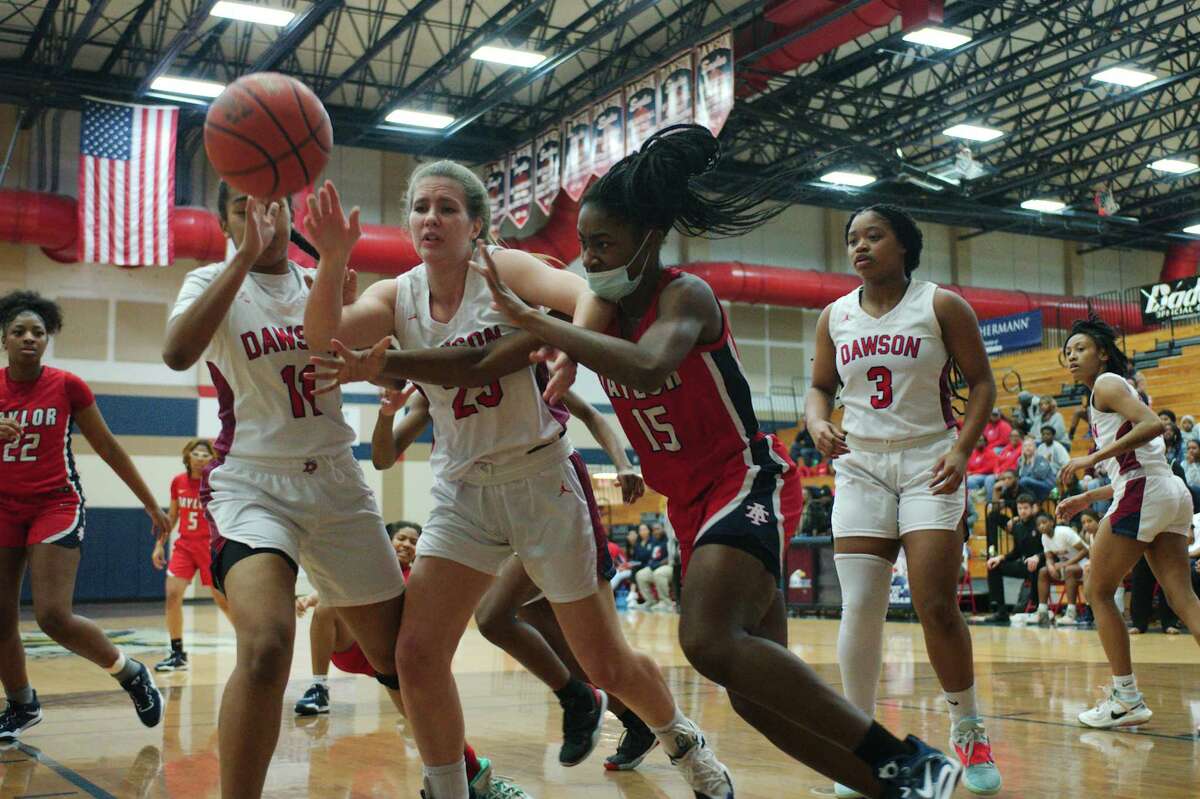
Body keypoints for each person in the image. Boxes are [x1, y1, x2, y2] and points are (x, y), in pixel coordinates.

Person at [471, 126, 963, 799]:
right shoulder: (600, 308)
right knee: (753, 696)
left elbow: (648, 368)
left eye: (604, 244)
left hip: (745, 476)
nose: (590, 259)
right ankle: (901, 787)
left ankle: (907, 757)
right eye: (584, 245)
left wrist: (549, 329)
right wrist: (395, 363)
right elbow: (501, 356)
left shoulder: (685, 296)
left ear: (649, 238)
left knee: (704, 639)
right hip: (687, 501)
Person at [302, 169, 732, 799]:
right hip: (462, 493)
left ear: (476, 225)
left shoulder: (506, 270)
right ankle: (452, 790)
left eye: (447, 208)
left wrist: (572, 345)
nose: (431, 218)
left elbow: (582, 291)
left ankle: (682, 740)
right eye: (420, 207)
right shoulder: (400, 294)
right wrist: (335, 257)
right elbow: (322, 337)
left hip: (540, 479)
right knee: (414, 656)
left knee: (603, 661)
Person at [161, 183, 430, 799]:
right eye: (243, 206)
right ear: (226, 220)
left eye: (274, 203)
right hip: (252, 484)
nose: (262, 214)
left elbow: (382, 366)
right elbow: (178, 354)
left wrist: (366, 341)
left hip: (335, 480)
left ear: (292, 212)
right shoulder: (210, 282)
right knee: (264, 647)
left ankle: (463, 775)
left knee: (400, 658)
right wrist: (240, 256)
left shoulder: (322, 284)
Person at [805, 204, 1000, 797]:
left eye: (874, 236)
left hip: (929, 461)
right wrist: (816, 421)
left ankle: (968, 729)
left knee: (935, 603)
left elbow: (982, 382)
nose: (860, 247)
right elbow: (819, 387)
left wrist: (964, 451)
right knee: (860, 604)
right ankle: (860, 743)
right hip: (860, 464)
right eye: (852, 240)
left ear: (904, 246)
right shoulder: (834, 316)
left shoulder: (941, 304)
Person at [0, 290, 169, 742]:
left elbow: (109, 447)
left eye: (38, 332)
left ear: (48, 339)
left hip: (55, 503)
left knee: (53, 616)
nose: (29, 338)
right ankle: (21, 705)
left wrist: (151, 503)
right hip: (4, 507)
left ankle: (131, 673)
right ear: (4, 340)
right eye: (19, 332)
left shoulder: (67, 386)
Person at [1055, 315, 1200, 729]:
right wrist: (1088, 495)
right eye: (1067, 352)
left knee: (1096, 591)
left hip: (1148, 491)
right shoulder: (1107, 392)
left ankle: (1126, 697)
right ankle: (1126, 698)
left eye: (1080, 348)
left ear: (1102, 353)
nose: (1072, 357)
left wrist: (1091, 459)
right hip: (1165, 490)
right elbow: (1138, 468)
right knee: (1183, 599)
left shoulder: (1107, 384)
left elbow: (1155, 425)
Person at [291, 522, 505, 797]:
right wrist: (309, 598)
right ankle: (319, 687)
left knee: (426, 719)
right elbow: (338, 590)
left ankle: (466, 766)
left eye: (413, 541)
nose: (406, 544)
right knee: (327, 607)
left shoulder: (420, 577)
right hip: (358, 648)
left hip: (395, 661)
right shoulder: (373, 571)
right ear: (388, 542)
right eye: (401, 538)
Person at [152, 438, 231, 671]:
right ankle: (177, 653)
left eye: (205, 455)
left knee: (223, 600)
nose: (200, 458)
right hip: (185, 546)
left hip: (209, 546)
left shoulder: (216, 483)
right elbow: (172, 517)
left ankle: (250, 645)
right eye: (196, 454)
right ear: (188, 456)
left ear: (212, 459)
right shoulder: (178, 481)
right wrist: (159, 545)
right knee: (172, 595)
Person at [982, 495, 1043, 624]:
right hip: (1025, 565)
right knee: (994, 566)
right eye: (1020, 508)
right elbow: (1016, 552)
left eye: (1026, 508)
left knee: (1036, 569)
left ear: (1033, 508)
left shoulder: (1040, 523)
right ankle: (1001, 611)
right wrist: (1001, 557)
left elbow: (1050, 549)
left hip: (1041, 564)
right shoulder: (1018, 527)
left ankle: (1038, 607)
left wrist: (1038, 557)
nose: (1023, 511)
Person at [1029, 513, 1088, 626]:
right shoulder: (1044, 537)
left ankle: (1071, 613)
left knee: (1069, 570)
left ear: (1052, 522)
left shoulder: (1064, 532)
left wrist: (1065, 564)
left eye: (1044, 522)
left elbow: (1085, 551)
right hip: (1066, 566)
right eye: (1039, 525)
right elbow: (1049, 557)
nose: (1041, 526)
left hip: (1085, 563)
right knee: (1043, 571)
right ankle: (1042, 612)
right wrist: (1050, 566)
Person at [634, 523, 673, 611]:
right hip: (656, 567)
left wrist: (657, 564)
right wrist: (651, 564)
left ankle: (666, 602)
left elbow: (670, 557)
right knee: (640, 574)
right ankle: (651, 601)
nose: (655, 532)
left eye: (658, 529)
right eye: (654, 530)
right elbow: (653, 557)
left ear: (663, 528)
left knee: (658, 573)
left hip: (670, 566)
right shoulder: (654, 542)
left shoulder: (668, 540)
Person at [983, 430, 1022, 500]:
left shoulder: (1022, 449)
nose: (1014, 438)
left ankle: (1002, 502)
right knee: (989, 479)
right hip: (1000, 473)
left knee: (1005, 482)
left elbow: (1015, 466)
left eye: (1016, 436)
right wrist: (997, 473)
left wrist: (1004, 475)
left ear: (1020, 437)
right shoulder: (1006, 448)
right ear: (1009, 438)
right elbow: (997, 461)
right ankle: (990, 503)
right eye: (1012, 436)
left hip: (1010, 474)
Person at [1016, 436, 1055, 501]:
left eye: (1030, 446)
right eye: (1025, 446)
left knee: (1024, 481)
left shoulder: (1040, 458)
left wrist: (1032, 466)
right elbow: (1018, 476)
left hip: (1047, 485)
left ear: (1035, 448)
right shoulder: (1020, 461)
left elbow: (1040, 475)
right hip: (1030, 487)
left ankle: (1032, 502)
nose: (1027, 448)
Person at [1182, 439, 1200, 509]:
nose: (1191, 450)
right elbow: (1185, 482)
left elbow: (1197, 482)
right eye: (1189, 448)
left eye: (1194, 448)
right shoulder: (1183, 463)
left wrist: (1192, 465)